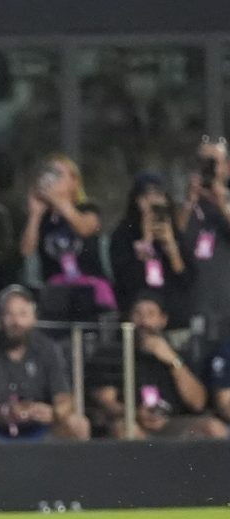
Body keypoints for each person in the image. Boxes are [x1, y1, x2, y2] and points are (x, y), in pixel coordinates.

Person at [88, 293, 228, 440]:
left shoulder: (177, 353)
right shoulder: (111, 353)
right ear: (129, 318)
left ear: (163, 320)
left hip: (172, 422)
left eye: (150, 314)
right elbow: (106, 401)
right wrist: (136, 413)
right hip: (132, 420)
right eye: (138, 313)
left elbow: (197, 403)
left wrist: (172, 360)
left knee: (214, 428)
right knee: (126, 429)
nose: (144, 321)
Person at [0, 285, 90, 443]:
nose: (16, 322)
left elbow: (65, 398)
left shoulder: (49, 349)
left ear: (34, 317)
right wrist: (4, 412)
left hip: (40, 428)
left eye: (23, 314)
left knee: (78, 424)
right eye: (9, 314)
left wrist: (53, 412)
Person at [19, 153, 113, 308]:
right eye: (49, 174)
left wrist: (60, 201)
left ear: (74, 181)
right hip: (56, 289)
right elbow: (26, 251)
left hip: (89, 287)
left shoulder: (88, 209)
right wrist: (35, 214)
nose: (52, 180)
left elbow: (85, 228)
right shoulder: (44, 217)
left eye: (58, 175)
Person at [108, 172, 194, 323]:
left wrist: (171, 247)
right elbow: (125, 279)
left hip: (171, 315)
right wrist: (146, 240)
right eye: (147, 197)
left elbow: (187, 279)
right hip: (138, 315)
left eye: (158, 196)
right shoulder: (123, 234)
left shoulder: (175, 232)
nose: (153, 202)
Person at [179, 137, 230, 323]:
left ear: (227, 167)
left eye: (213, 162)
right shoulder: (186, 204)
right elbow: (175, 240)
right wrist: (189, 202)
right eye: (203, 162)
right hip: (195, 305)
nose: (208, 168)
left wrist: (222, 205)